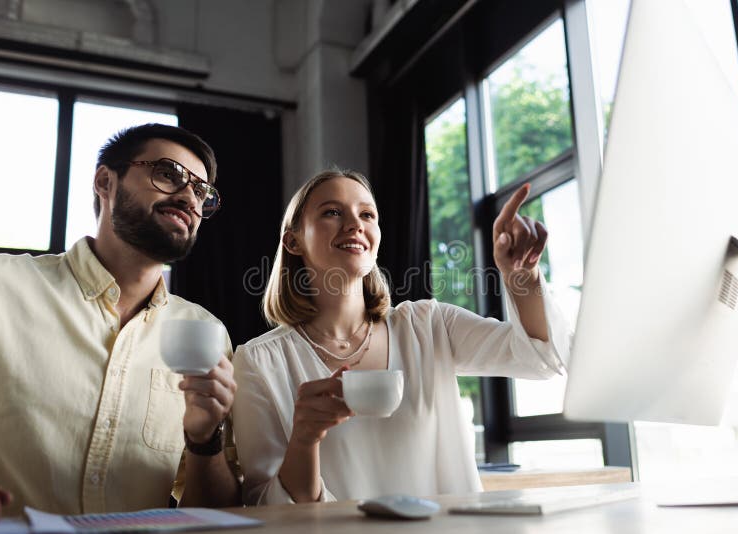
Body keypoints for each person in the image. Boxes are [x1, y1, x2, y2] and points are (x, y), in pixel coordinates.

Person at [232, 168, 572, 505]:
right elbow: (265, 506)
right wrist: (303, 440)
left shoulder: (429, 325)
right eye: (332, 212)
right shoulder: (258, 362)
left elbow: (542, 360)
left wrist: (522, 275)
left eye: (367, 213)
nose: (355, 224)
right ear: (293, 240)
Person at [0, 124, 241, 520]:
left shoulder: (206, 332)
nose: (188, 197)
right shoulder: (2, 287)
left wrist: (204, 439)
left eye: (201, 191)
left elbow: (215, 516)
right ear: (105, 182)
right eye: (168, 174)